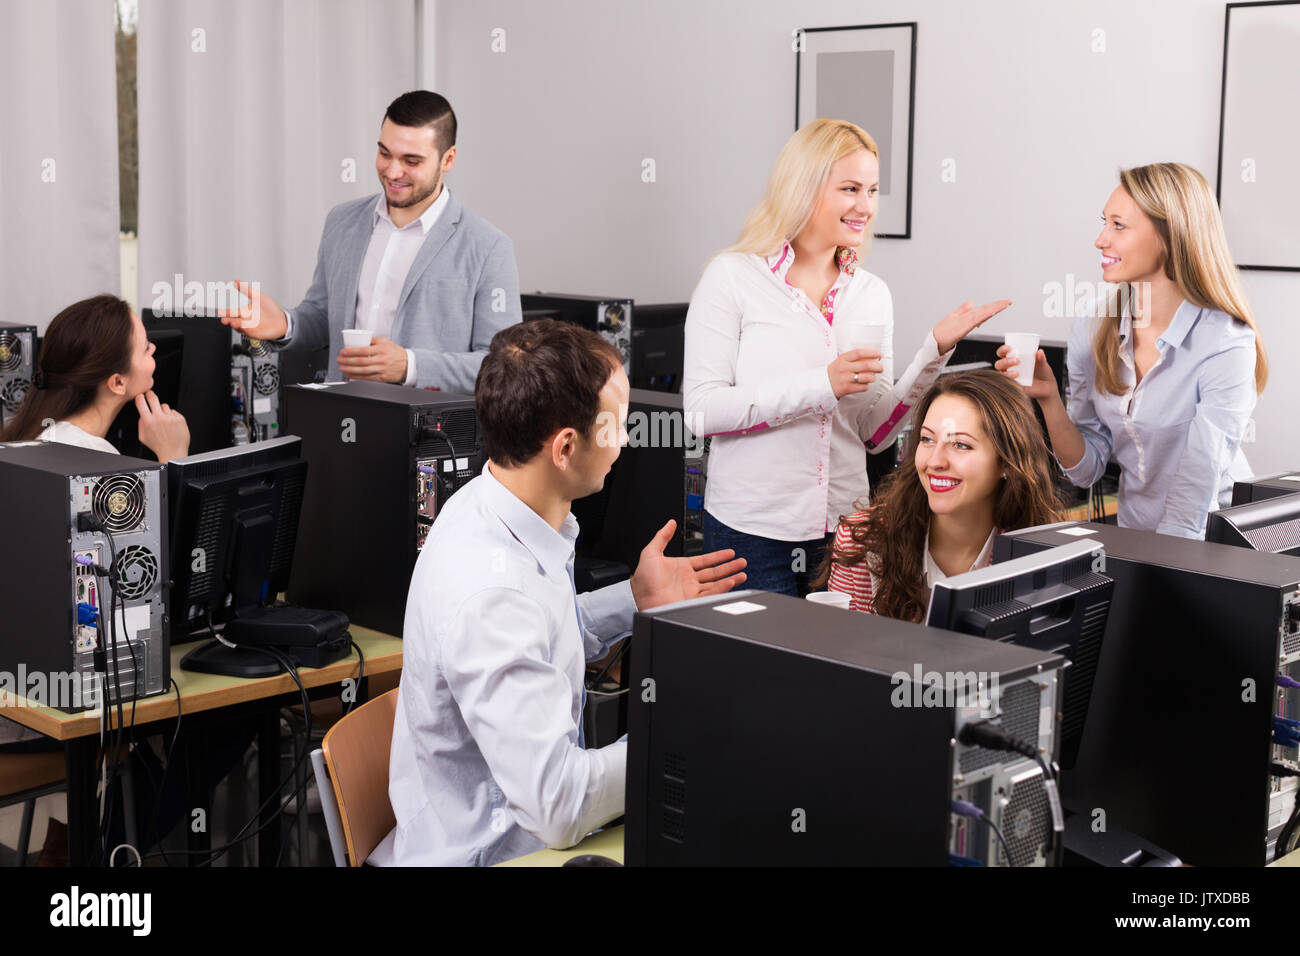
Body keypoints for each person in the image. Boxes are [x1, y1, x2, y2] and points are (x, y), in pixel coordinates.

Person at [373, 319, 747, 866]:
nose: (624, 440)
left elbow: (539, 627)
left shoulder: (490, 501)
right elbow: (559, 805)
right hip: (495, 854)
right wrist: (675, 739)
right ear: (566, 447)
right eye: (616, 426)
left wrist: (632, 598)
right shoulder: (491, 593)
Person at [683, 118, 1011, 597]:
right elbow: (701, 412)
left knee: (836, 669)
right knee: (760, 671)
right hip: (749, 534)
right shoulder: (732, 277)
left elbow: (874, 435)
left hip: (845, 532)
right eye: (851, 188)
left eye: (873, 190)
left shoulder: (871, 294)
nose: (866, 206)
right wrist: (823, 383)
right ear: (804, 188)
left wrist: (933, 353)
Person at [996, 162, 1267, 538]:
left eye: (1118, 226)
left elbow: (1196, 483)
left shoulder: (1224, 341)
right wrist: (1049, 400)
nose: (1100, 239)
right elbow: (1087, 467)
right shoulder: (1092, 326)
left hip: (1215, 538)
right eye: (1104, 222)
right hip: (1137, 534)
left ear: (1170, 236)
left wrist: (1151, 570)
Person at [218, 90, 522, 394]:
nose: (392, 171)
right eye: (385, 153)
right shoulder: (342, 222)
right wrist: (287, 324)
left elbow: (505, 370)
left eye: (411, 160)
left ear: (448, 160)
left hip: (430, 437)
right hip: (342, 421)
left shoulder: (488, 248)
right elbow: (325, 317)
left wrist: (410, 366)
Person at [0, 294, 188, 752]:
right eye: (146, 349)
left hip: (26, 693)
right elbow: (154, 584)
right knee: (218, 728)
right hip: (55, 715)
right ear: (118, 381)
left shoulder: (34, 438)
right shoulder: (100, 473)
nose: (155, 352)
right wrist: (174, 461)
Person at [816, 370, 1062, 621]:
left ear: (1007, 462)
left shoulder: (1042, 549)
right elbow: (847, 653)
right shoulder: (862, 540)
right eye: (927, 439)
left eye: (960, 445)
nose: (934, 461)